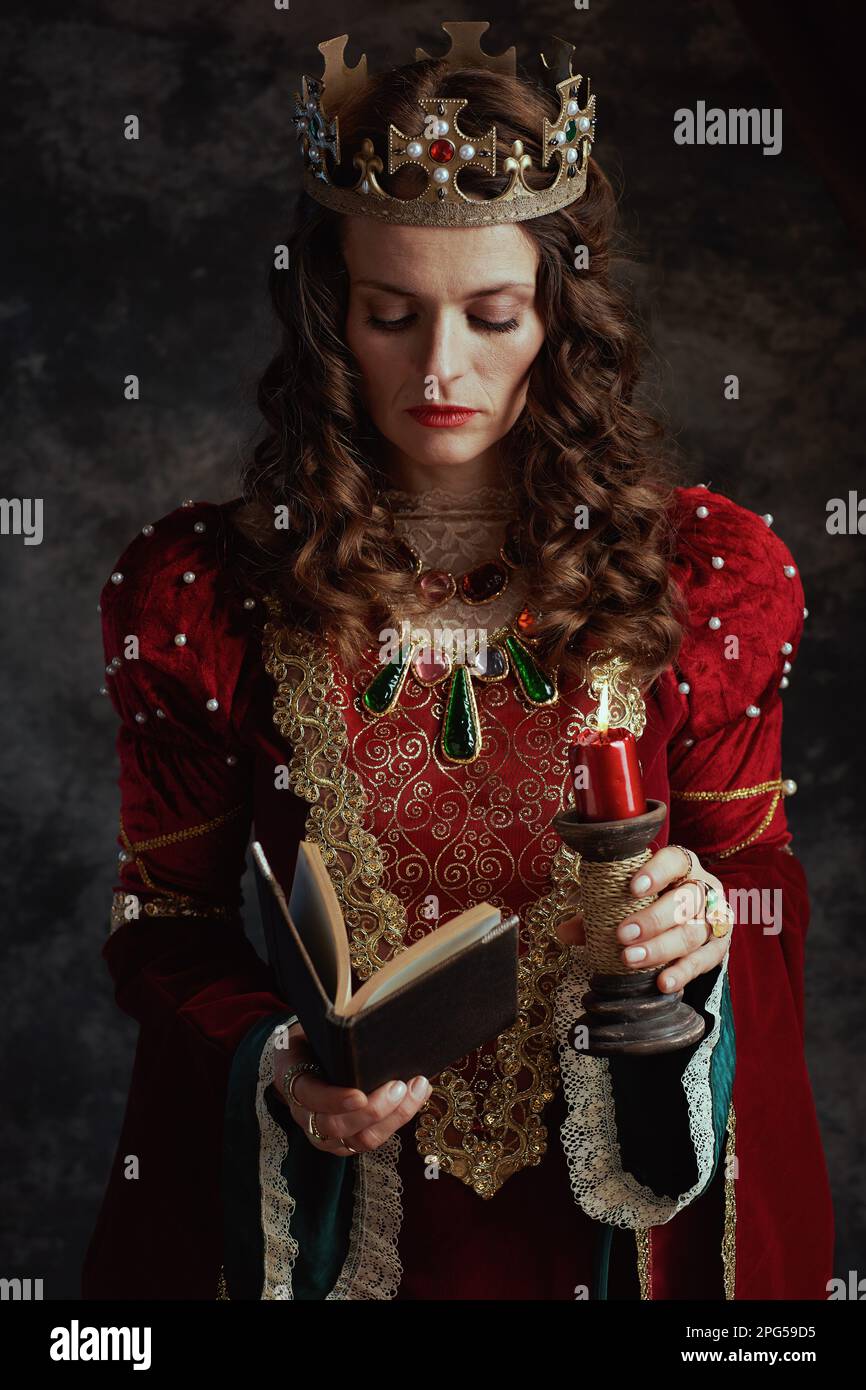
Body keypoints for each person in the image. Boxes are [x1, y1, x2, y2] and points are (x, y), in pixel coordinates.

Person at [82, 23, 833, 1301]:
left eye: (492, 317)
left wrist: (701, 917)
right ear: (332, 315)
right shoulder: (201, 591)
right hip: (341, 1215)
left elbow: (756, 874)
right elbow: (167, 928)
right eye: (390, 315)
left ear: (559, 313)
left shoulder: (706, 573)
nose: (441, 370)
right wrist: (274, 1062)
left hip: (608, 1230)